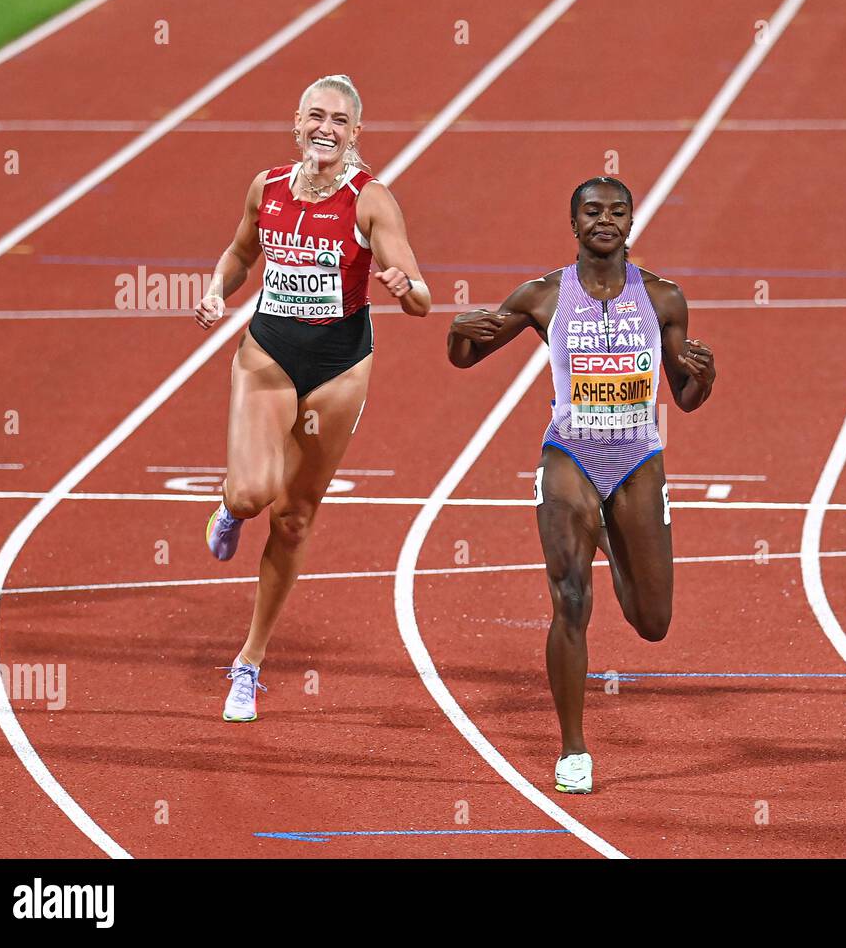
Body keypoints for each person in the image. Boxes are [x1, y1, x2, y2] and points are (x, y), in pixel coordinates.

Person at [447, 176, 716, 792]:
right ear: (574, 225)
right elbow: (467, 358)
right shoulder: (543, 296)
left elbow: (688, 397)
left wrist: (708, 375)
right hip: (568, 452)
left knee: (653, 622)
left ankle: (609, 538)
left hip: (638, 457)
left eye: (617, 212)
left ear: (631, 222)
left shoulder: (664, 298)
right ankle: (573, 749)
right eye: (592, 212)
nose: (605, 220)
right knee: (570, 597)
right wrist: (458, 331)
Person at [195, 74, 430, 722]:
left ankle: (248, 661)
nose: (325, 129)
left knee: (294, 519)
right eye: (315, 117)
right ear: (297, 124)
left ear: (355, 134)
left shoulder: (370, 200)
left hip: (338, 367)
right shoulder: (266, 188)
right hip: (268, 353)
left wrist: (401, 284)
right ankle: (230, 509)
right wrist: (218, 288)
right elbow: (240, 254)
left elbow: (421, 299)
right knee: (250, 494)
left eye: (339, 121)